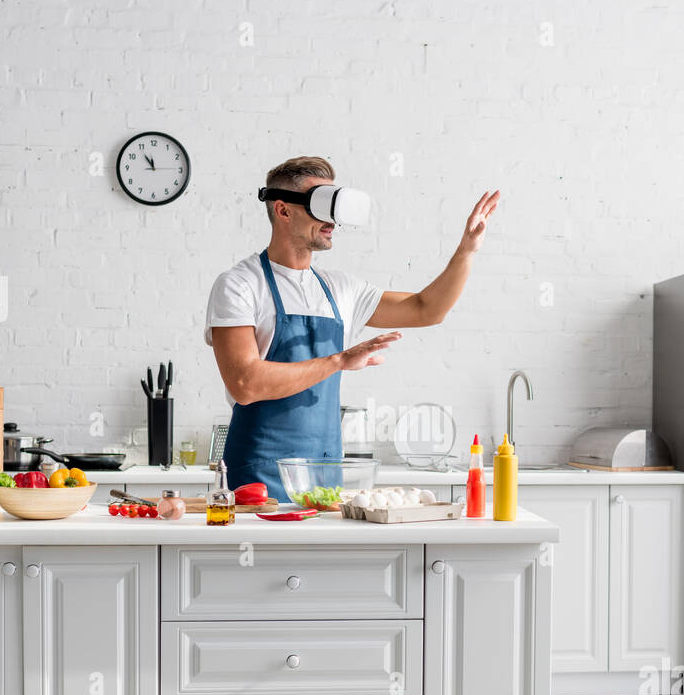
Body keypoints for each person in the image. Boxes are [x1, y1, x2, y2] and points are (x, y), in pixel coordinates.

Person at [205, 154, 499, 500]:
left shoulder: (340, 289)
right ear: (283, 211)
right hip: (256, 481)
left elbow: (427, 309)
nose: (332, 222)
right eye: (321, 206)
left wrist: (466, 250)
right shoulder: (240, 285)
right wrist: (338, 361)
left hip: (324, 478)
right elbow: (245, 384)